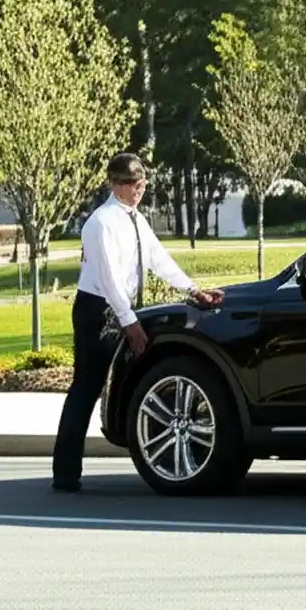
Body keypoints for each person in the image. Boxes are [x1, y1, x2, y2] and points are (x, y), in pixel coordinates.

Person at [51, 153, 223, 492]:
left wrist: (193, 290)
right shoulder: (100, 223)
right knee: (87, 387)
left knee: (133, 380)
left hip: (124, 308)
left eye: (142, 185)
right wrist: (129, 322)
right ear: (114, 184)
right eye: (132, 185)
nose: (138, 191)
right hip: (98, 311)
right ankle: (65, 472)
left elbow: (159, 259)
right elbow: (110, 278)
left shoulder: (135, 219)